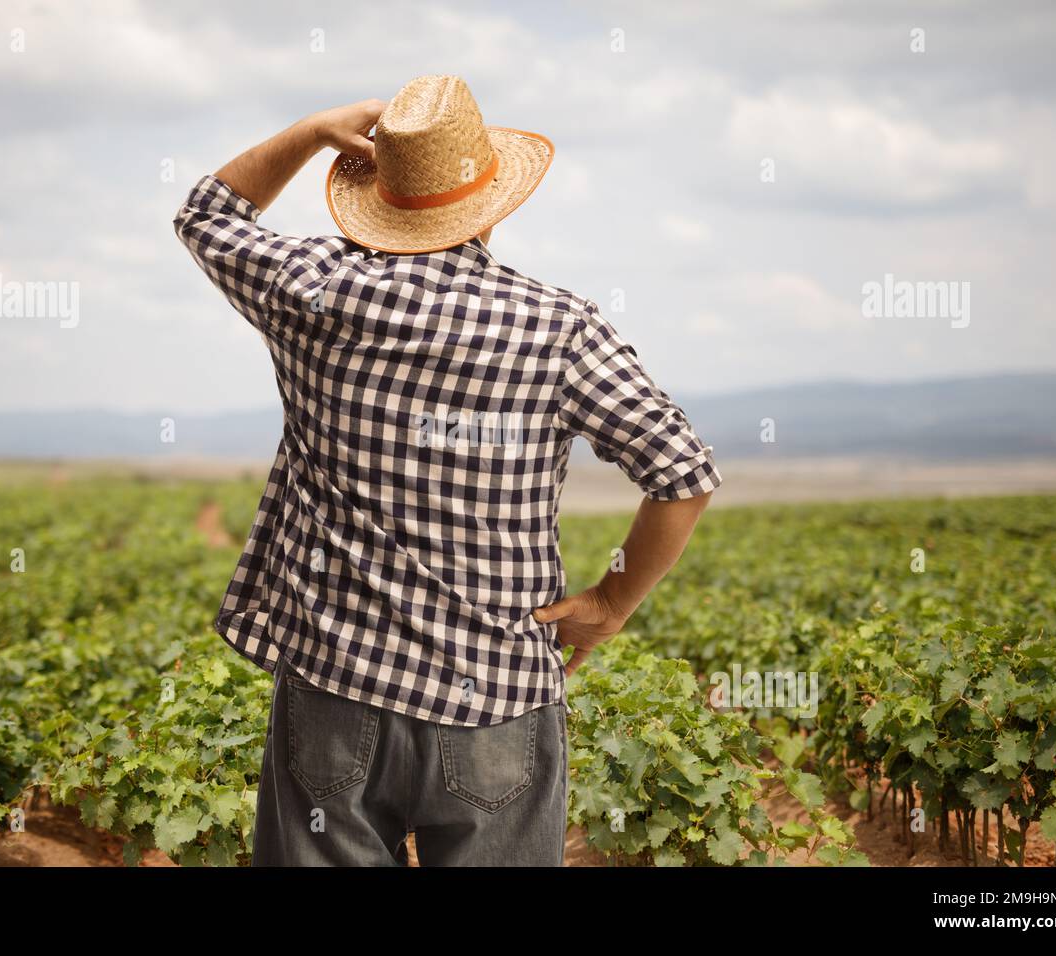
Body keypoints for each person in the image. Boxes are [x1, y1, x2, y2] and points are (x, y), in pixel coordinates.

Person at [173, 74, 720, 866]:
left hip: (335, 695)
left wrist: (311, 129)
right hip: (497, 699)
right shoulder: (557, 327)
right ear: (493, 200)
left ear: (378, 198)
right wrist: (610, 600)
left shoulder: (316, 291)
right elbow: (682, 474)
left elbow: (206, 214)